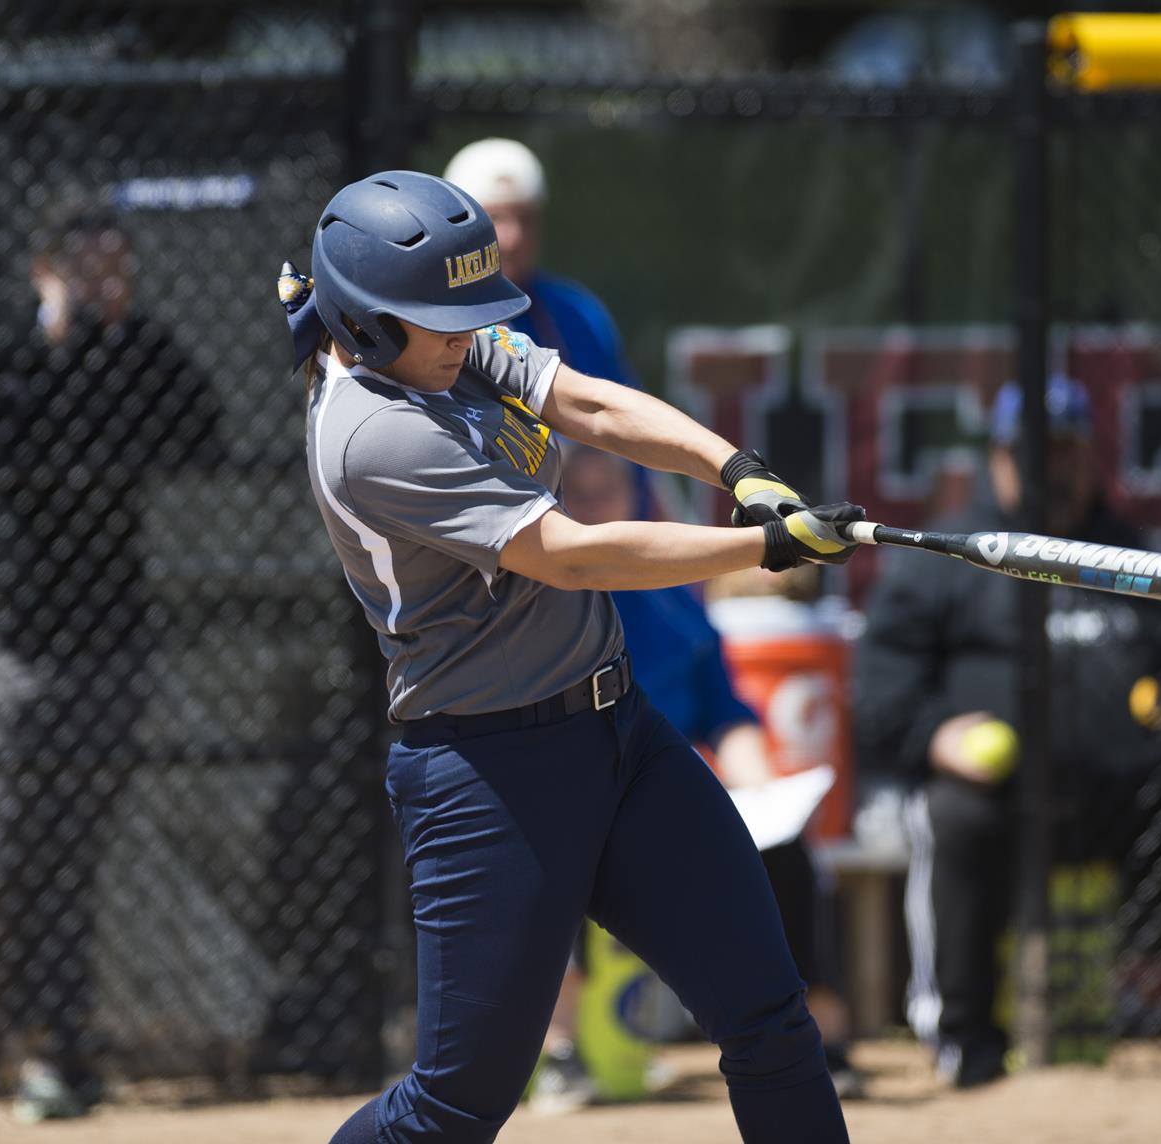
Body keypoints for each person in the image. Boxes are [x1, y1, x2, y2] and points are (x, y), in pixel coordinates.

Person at [280, 169, 860, 1144]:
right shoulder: (370, 432)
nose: (467, 335)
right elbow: (568, 551)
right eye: (442, 318)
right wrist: (760, 547)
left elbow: (587, 401)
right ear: (370, 322)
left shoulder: (440, 343)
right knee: (454, 1106)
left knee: (768, 1017)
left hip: (618, 734)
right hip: (490, 773)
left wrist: (741, 473)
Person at [851, 377, 1161, 1087]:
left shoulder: (1132, 556)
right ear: (995, 460)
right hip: (998, 801)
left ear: (1091, 458)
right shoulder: (944, 560)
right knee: (953, 817)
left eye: (1065, 452)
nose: (1048, 469)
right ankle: (967, 1043)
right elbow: (879, 688)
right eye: (1030, 452)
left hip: (1131, 800)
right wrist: (936, 735)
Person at [0, 202, 223, 1118]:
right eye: (89, 267)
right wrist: (64, 341)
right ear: (46, 268)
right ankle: (3, 1030)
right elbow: (1, 442)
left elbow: (204, 432)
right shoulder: (6, 348)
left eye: (121, 268)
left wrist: (111, 343)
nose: (109, 283)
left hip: (109, 638)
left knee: (73, 856)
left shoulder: (137, 349)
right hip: (3, 643)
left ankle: (57, 1051)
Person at [544, 446, 863, 1107]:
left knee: (782, 846)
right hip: (576, 790)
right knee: (552, 853)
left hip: (667, 795)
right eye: (586, 495)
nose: (602, 506)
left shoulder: (676, 608)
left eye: (615, 492)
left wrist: (764, 790)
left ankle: (820, 1035)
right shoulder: (549, 595)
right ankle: (559, 1054)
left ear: (637, 502)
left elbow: (726, 716)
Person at [442, 138, 663, 520]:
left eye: (525, 218)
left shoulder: (575, 310)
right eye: (494, 219)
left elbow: (619, 420)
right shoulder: (434, 320)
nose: (512, 238)